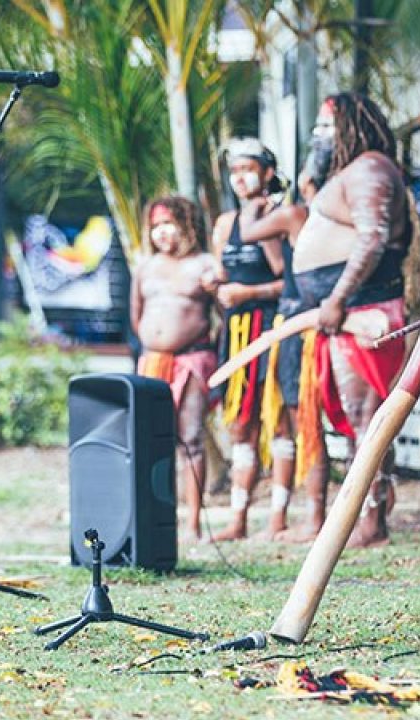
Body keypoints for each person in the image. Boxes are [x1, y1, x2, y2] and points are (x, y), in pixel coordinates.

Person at [291, 92, 412, 548]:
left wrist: (338, 298)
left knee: (368, 419)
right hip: (344, 313)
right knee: (356, 421)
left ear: (354, 129)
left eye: (329, 127)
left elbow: (373, 238)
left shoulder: (371, 169)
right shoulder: (354, 171)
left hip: (363, 310)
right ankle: (362, 515)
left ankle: (373, 520)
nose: (320, 137)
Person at [235, 164, 329, 542]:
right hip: (307, 320)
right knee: (303, 419)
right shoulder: (327, 220)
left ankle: (314, 517)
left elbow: (248, 233)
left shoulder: (294, 214)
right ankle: (312, 516)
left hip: (301, 322)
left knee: (303, 419)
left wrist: (254, 206)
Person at [131, 196, 222, 543]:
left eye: (169, 224)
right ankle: (158, 518)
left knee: (191, 439)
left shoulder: (205, 265)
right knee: (153, 441)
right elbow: (136, 314)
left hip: (192, 360)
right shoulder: (145, 266)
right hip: (152, 361)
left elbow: (224, 315)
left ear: (187, 225)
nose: (162, 233)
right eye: (156, 227)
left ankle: (194, 523)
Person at [209, 138, 287, 541]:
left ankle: (278, 517)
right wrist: (215, 284)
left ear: (267, 173)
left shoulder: (277, 217)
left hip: (270, 329)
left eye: (247, 169)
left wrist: (248, 294)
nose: (240, 178)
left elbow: (289, 282)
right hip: (235, 332)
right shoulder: (225, 224)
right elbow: (224, 274)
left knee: (277, 420)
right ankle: (238, 519)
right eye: (234, 171)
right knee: (241, 424)